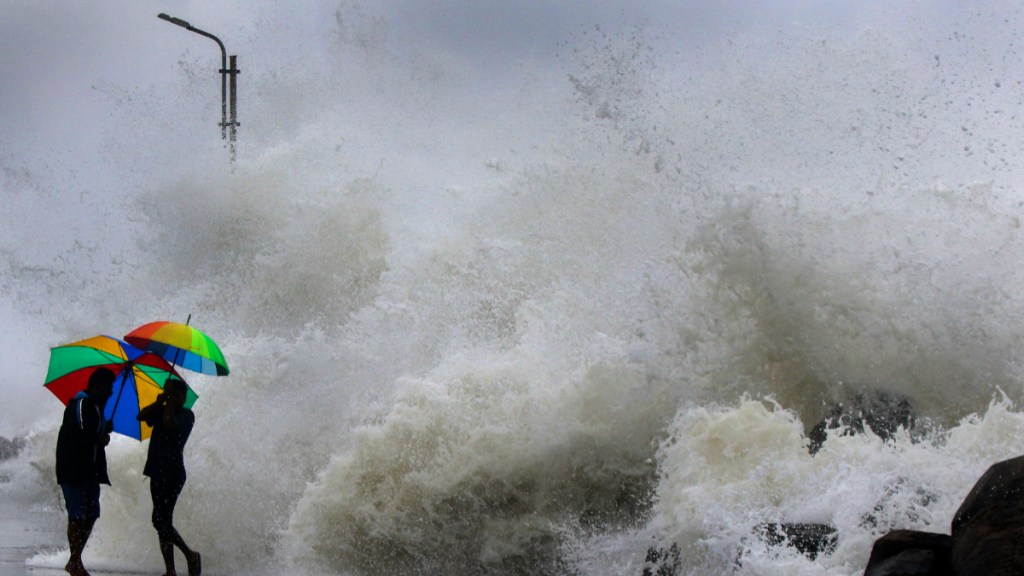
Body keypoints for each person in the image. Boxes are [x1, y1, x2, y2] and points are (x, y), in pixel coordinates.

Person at [137, 376, 201, 576]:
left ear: (182, 397)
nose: (170, 396)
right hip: (156, 471)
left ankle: (190, 554)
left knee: (160, 520)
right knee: (162, 521)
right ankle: (170, 570)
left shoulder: (186, 415)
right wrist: (159, 401)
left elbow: (170, 423)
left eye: (174, 393)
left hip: (173, 473)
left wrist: (169, 404)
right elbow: (141, 416)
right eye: (169, 392)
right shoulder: (161, 409)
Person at [55, 367, 115, 576]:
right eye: (109, 387)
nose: (111, 392)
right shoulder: (81, 403)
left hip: (89, 471)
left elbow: (94, 431)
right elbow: (82, 430)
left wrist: (105, 429)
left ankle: (75, 559)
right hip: (72, 469)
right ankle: (75, 561)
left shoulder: (97, 408)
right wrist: (100, 437)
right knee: (77, 514)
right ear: (97, 385)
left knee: (91, 513)